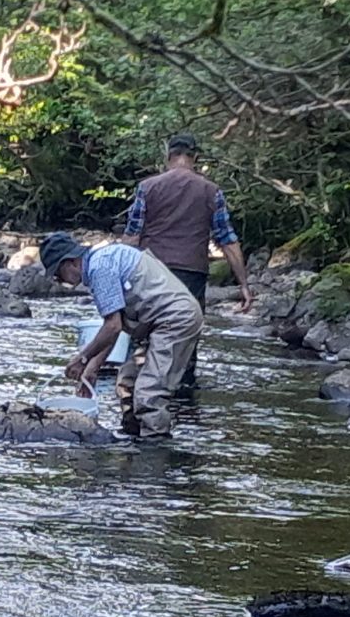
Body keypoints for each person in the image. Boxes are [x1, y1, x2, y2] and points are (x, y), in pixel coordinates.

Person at [40, 233, 202, 438]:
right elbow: (116, 324)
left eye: (57, 273)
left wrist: (82, 358)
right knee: (127, 383)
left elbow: (113, 326)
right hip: (160, 323)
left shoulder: (100, 269)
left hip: (176, 320)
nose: (57, 279)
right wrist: (92, 369)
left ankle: (155, 452)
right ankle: (132, 437)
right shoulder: (102, 262)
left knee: (148, 394)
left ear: (70, 262)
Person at [121, 132, 252, 386]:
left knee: (143, 340)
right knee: (185, 343)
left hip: (150, 273)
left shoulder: (147, 188)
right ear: (196, 158)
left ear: (167, 155)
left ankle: (135, 402)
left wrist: (119, 281)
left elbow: (132, 237)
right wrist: (244, 285)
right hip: (191, 275)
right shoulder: (211, 192)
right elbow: (227, 240)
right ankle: (185, 407)